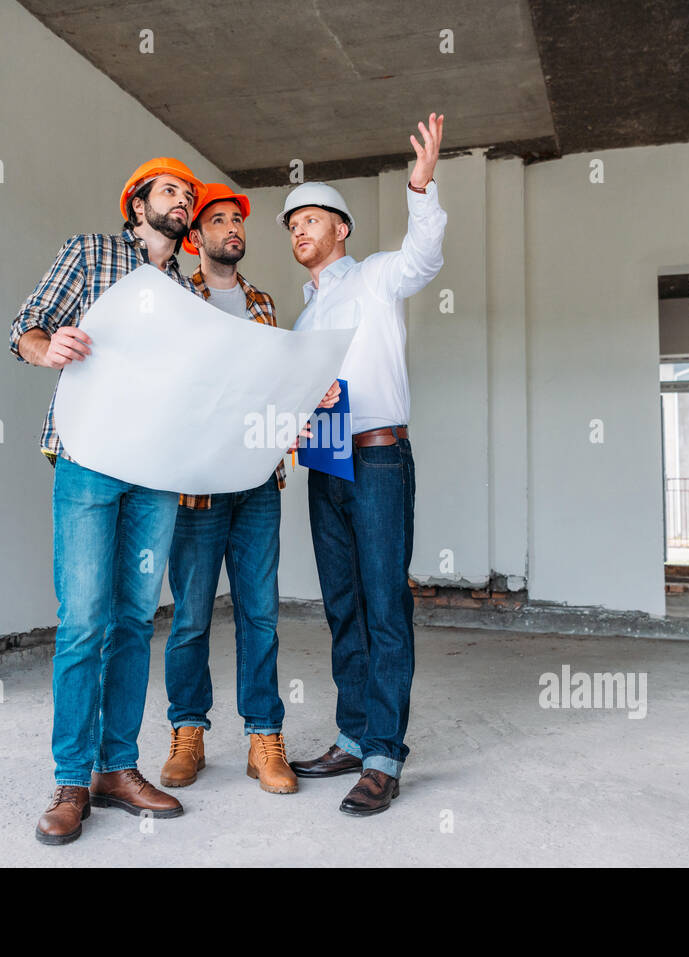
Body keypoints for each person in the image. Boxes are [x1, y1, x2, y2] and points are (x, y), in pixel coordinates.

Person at [10, 157, 205, 845]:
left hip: (153, 468)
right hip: (88, 458)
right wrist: (47, 346)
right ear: (138, 203)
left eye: (189, 196)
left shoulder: (188, 291)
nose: (183, 201)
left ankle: (116, 768)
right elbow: (26, 327)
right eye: (171, 191)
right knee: (85, 619)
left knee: (132, 618)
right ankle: (70, 779)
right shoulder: (90, 254)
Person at [282, 113, 447, 816]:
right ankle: (352, 735)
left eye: (312, 220)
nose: (300, 232)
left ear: (340, 229)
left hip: (379, 458)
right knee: (343, 605)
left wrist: (421, 185)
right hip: (326, 466)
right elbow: (294, 396)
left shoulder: (377, 277)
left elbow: (425, 256)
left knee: (385, 604)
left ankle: (384, 753)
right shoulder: (303, 319)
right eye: (292, 225)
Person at [159, 183, 324, 796]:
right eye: (219, 221)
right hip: (197, 485)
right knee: (191, 620)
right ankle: (187, 730)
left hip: (258, 483)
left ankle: (264, 736)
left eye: (238, 220)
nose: (233, 228)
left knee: (260, 614)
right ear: (195, 237)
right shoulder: (177, 298)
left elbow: (275, 386)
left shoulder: (262, 302)